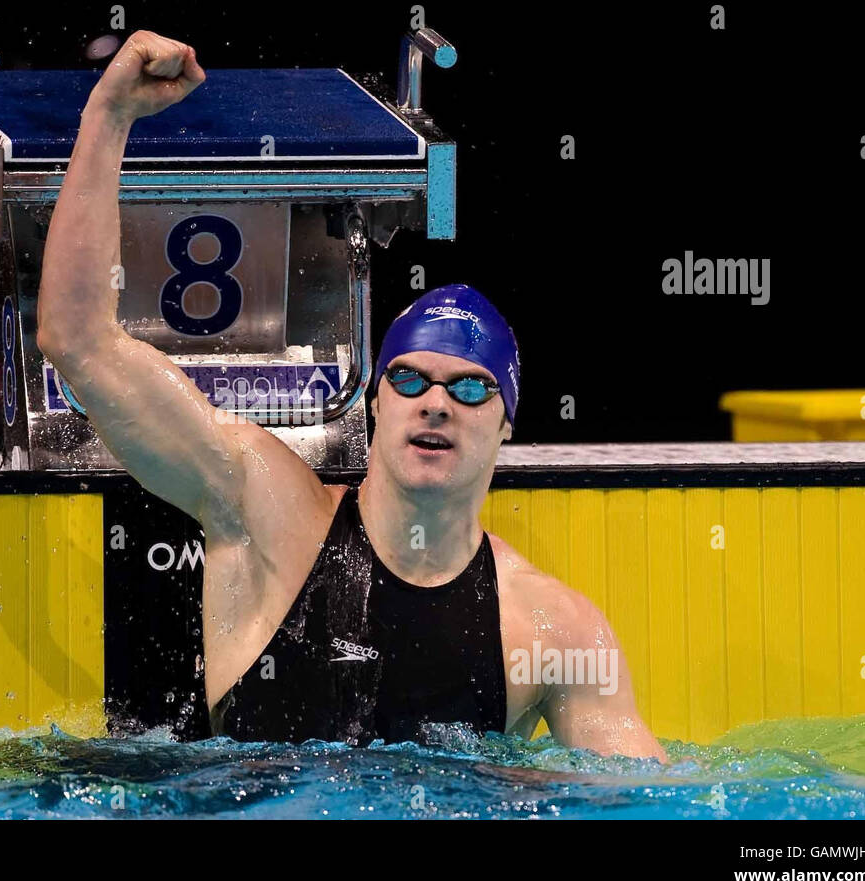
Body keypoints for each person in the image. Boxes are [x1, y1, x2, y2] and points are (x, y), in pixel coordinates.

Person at [36, 31, 667, 761]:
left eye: (469, 387)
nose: (435, 403)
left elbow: (641, 799)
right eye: (410, 379)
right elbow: (77, 341)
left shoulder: (553, 632)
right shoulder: (267, 510)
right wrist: (108, 115)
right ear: (375, 403)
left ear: (505, 425)